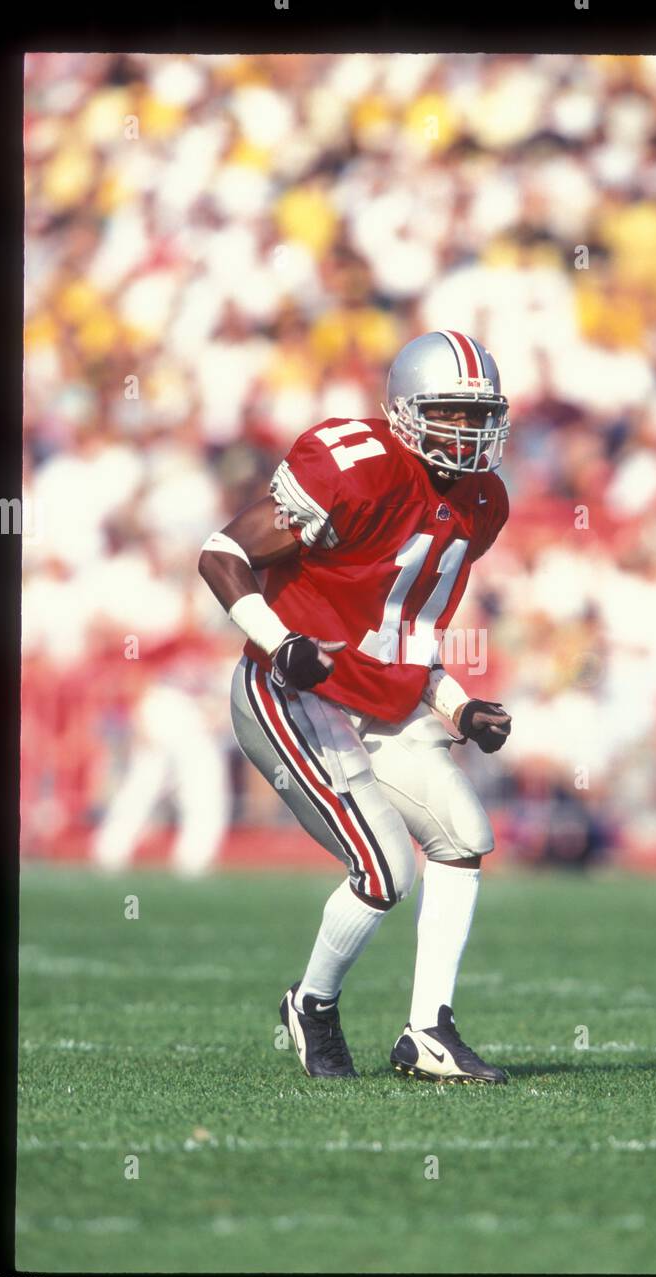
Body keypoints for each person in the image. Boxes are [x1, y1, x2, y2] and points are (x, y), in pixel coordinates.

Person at [199, 330, 513, 1083]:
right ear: (404, 411)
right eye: (449, 414)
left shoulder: (481, 500)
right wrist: (280, 644)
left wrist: (457, 705)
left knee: (464, 836)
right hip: (292, 692)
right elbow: (222, 553)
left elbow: (400, 627)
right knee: (383, 869)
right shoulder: (355, 467)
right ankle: (311, 1004)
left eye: (479, 417)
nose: (467, 433)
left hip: (381, 703)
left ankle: (428, 1032)